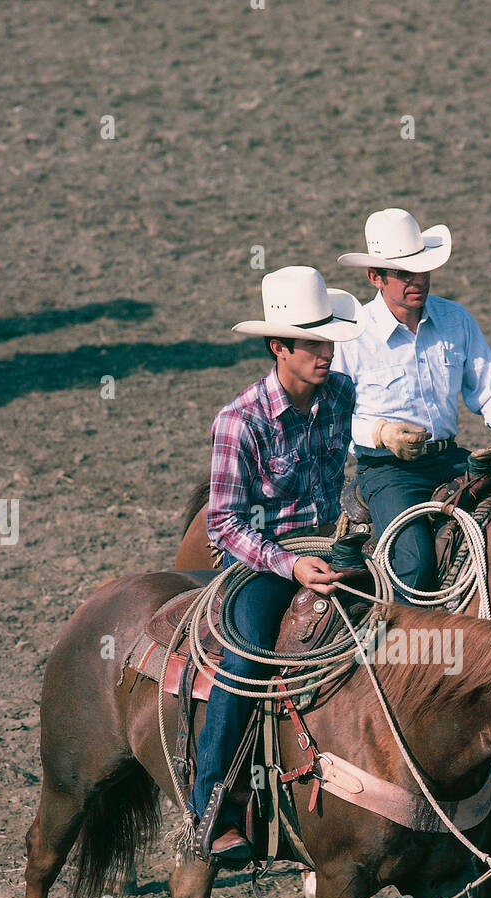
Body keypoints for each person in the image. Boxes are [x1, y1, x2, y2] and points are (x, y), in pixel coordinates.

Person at [190, 265, 364, 865]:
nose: (326, 352)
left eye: (329, 339)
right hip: (264, 563)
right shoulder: (239, 422)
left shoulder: (340, 394)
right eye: (313, 342)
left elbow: (345, 475)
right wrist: (290, 567)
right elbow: (223, 526)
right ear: (278, 347)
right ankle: (213, 808)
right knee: (247, 653)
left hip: (334, 547)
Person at [331, 207, 491, 599]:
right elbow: (333, 421)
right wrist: (381, 434)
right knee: (414, 566)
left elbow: (488, 385)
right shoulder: (353, 338)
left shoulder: (456, 319)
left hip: (450, 459)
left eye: (422, 271)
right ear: (376, 277)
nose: (417, 281)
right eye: (404, 274)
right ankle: (401, 650)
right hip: (388, 472)